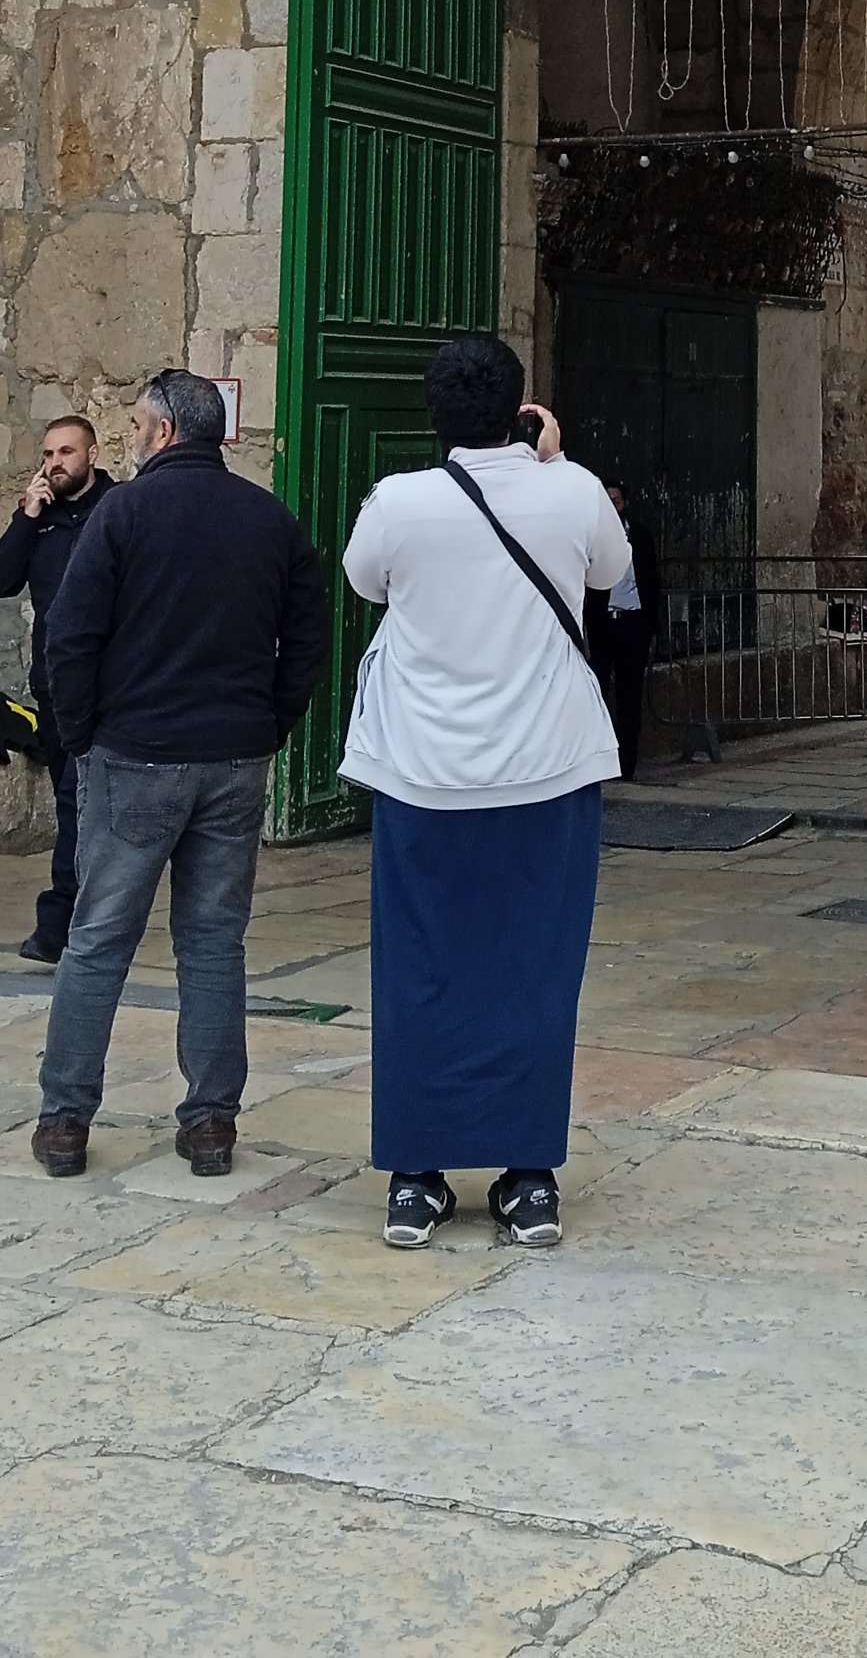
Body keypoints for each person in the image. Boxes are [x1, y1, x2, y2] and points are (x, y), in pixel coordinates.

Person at [341, 333, 628, 1252]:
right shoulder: (574, 491)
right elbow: (610, 571)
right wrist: (555, 460)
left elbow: (364, 581)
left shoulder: (399, 502)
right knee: (535, 969)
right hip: (547, 766)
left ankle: (415, 1175)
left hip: (423, 771)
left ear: (434, 416)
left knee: (419, 969)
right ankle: (529, 1176)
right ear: (521, 411)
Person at [30, 368, 330, 1182]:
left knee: (99, 938)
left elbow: (70, 633)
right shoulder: (268, 519)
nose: (130, 439)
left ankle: (66, 1120)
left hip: (135, 753)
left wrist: (80, 734)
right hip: (234, 757)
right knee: (213, 941)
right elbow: (308, 636)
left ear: (163, 431)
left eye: (134, 425)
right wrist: (271, 722)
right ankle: (210, 1123)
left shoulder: (123, 512)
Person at [0, 411, 112, 963]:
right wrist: (26, 518)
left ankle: (61, 923)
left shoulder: (118, 509)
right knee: (71, 803)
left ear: (92, 455)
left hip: (109, 688)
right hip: (55, 687)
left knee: (83, 801)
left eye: (66, 452)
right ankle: (78, 916)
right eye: (49, 454)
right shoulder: (39, 520)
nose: (55, 463)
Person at [586, 480, 661, 784]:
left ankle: (626, 763)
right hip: (603, 623)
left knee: (629, 695)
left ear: (625, 503)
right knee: (598, 691)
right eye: (607, 502)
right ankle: (598, 759)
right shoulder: (592, 537)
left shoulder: (640, 536)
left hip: (632, 622)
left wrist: (651, 625)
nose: (612, 507)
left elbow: (651, 580)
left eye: (616, 501)